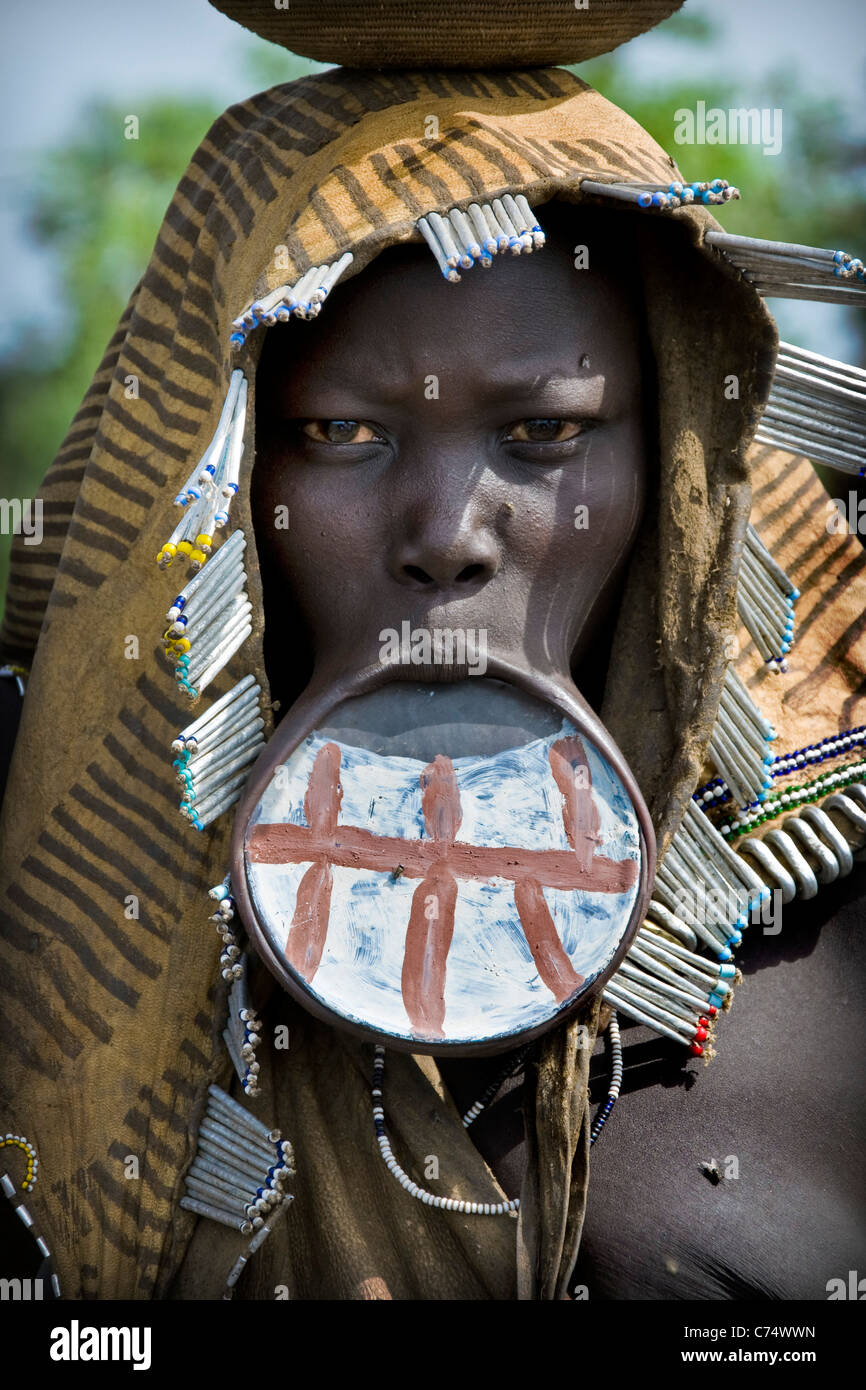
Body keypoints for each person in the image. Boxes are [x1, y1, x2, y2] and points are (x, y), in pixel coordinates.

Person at [1, 11, 864, 1302]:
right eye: (341, 431)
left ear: (675, 457)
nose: (448, 534)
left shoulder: (830, 910)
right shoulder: (36, 875)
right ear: (224, 464)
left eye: (543, 431)